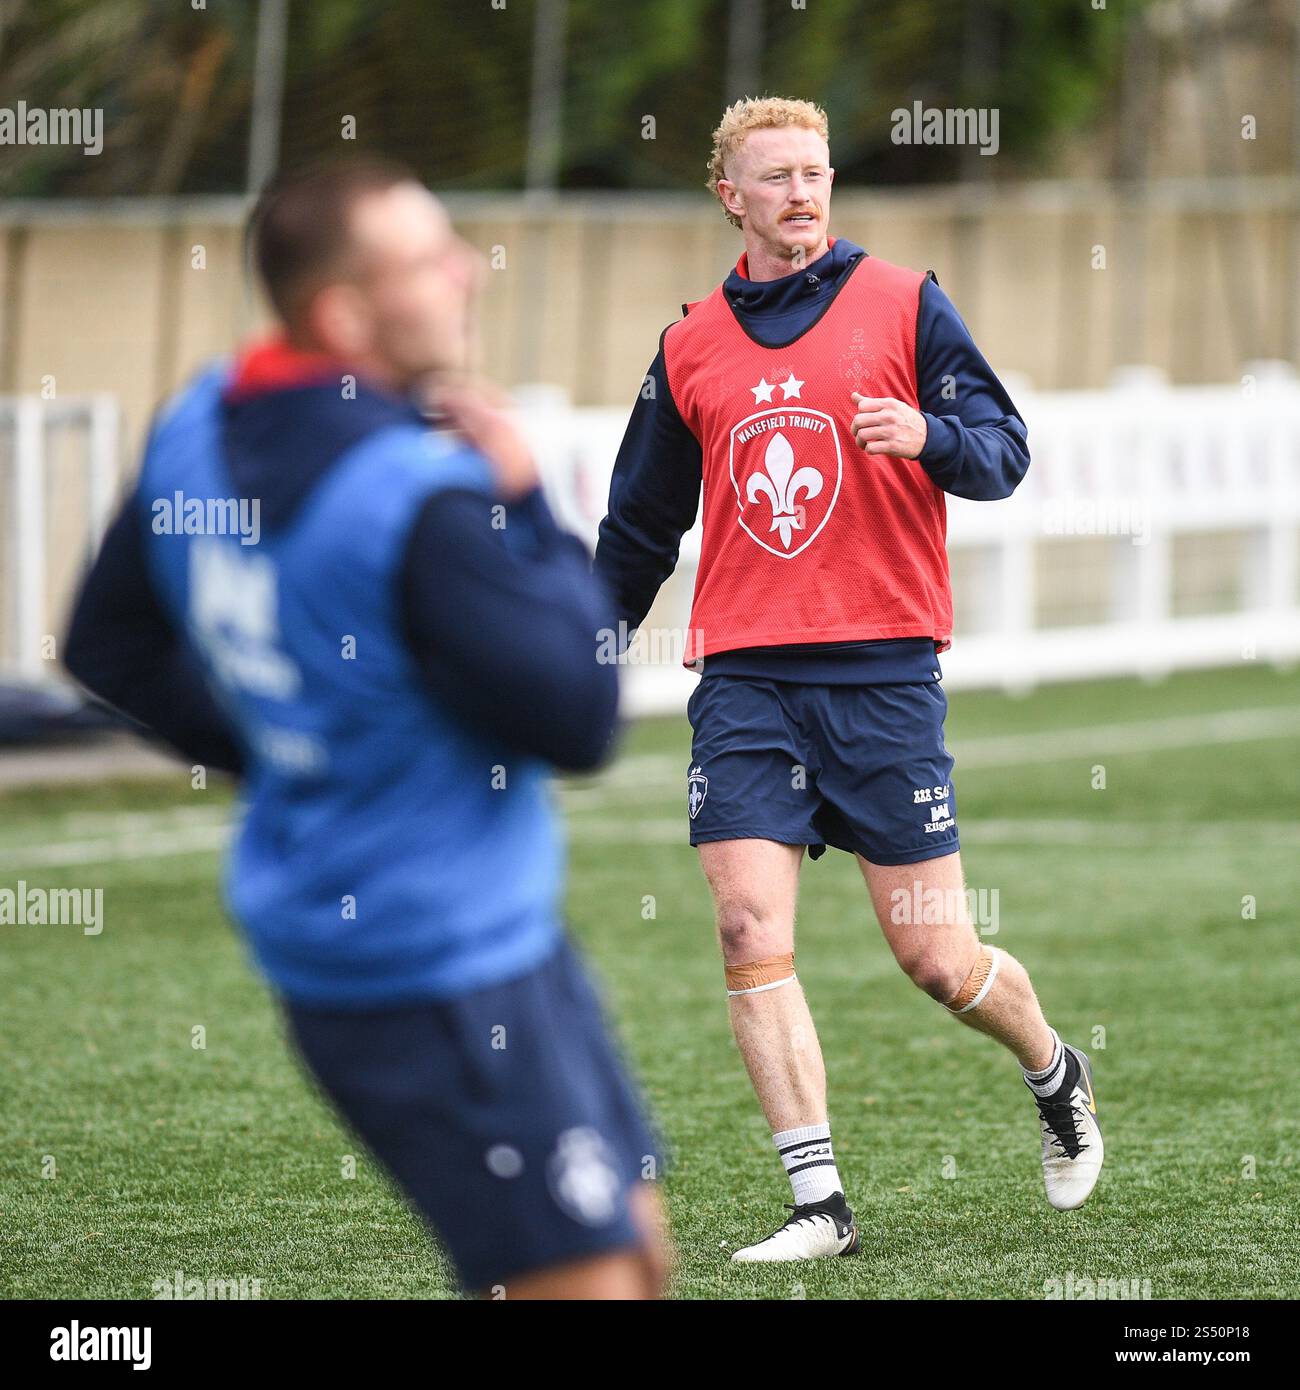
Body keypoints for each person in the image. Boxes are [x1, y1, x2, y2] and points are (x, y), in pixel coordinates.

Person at [64, 158, 667, 1299]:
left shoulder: (197, 419)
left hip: (474, 944)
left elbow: (107, 646)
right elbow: (585, 715)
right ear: (345, 314)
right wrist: (529, 502)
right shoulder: (421, 499)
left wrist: (289, 740)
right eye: (431, 262)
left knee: (635, 1251)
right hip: (432, 967)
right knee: (586, 1285)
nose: (469, 275)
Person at [594, 97, 1102, 1263]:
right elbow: (637, 530)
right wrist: (577, 653)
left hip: (881, 678)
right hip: (745, 681)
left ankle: (1052, 1066)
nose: (801, 193)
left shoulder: (906, 302)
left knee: (937, 959)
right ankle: (819, 1204)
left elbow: (1003, 453)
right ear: (731, 195)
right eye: (774, 177)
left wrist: (929, 437)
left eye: (815, 173)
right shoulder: (689, 348)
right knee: (743, 924)